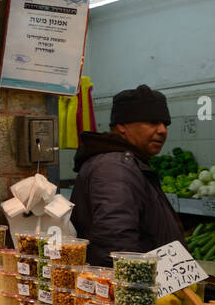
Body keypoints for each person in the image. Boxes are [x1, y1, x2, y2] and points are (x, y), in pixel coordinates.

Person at [72, 84, 184, 266]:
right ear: (122, 126)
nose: (162, 130)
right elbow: (116, 243)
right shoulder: (114, 167)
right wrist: (136, 289)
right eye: (152, 122)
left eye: (165, 123)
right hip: (137, 288)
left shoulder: (125, 163)